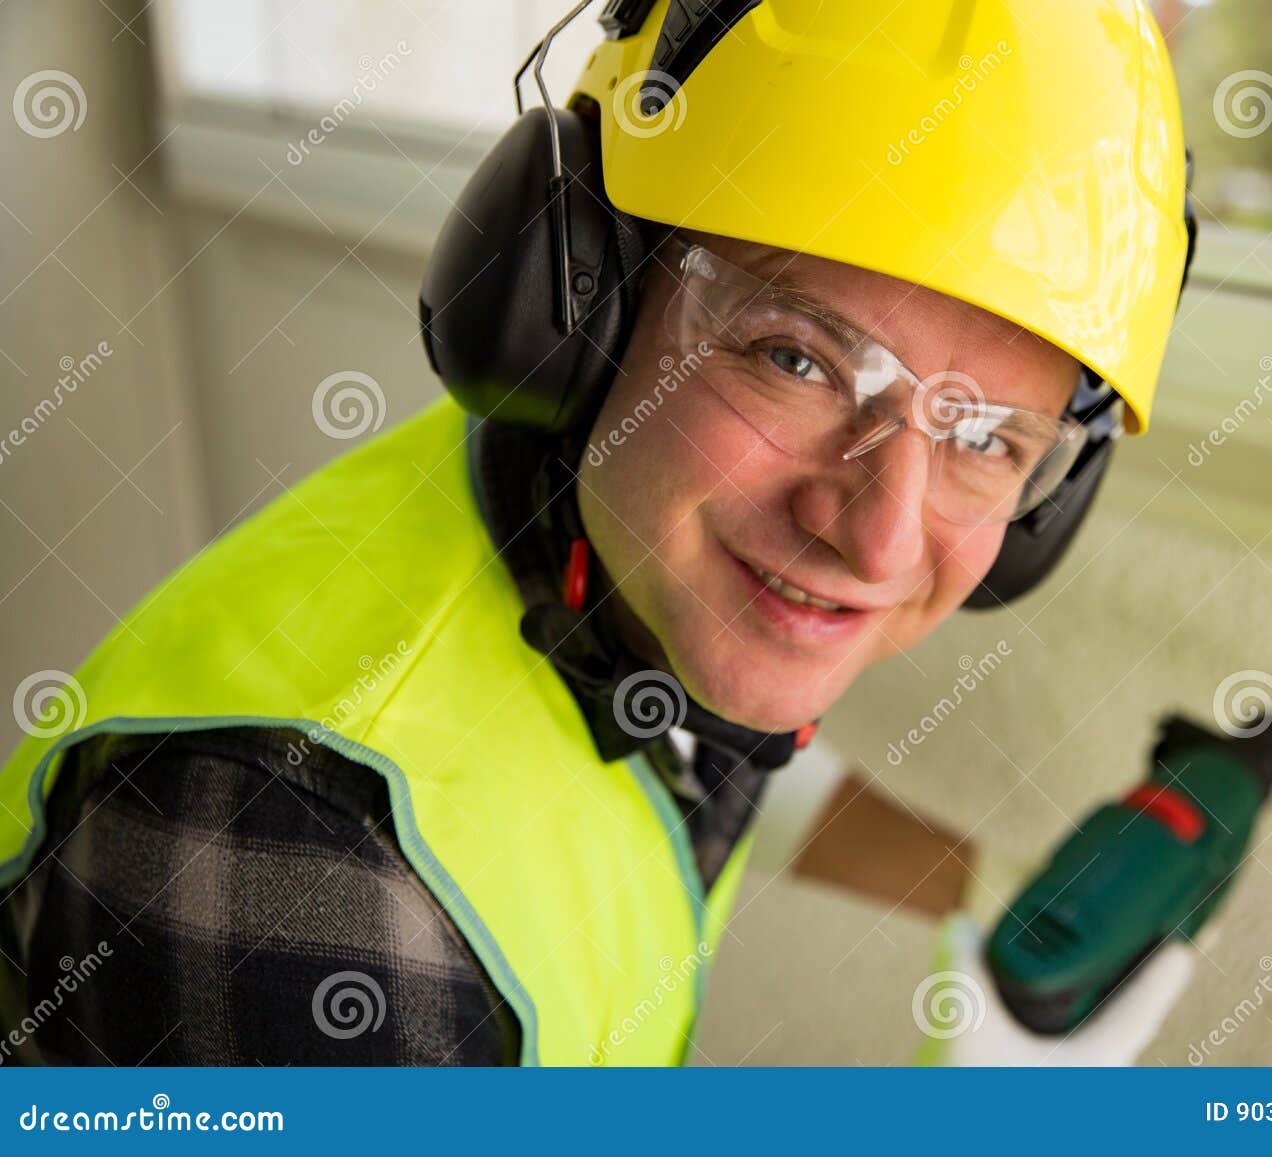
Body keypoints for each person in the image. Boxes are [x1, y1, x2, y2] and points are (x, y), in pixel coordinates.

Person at [0, 0, 1193, 1066]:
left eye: (987, 437)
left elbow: (672, 765)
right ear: (575, 302)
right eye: (797, 360)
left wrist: (980, 885)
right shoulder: (307, 876)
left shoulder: (612, 548)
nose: (877, 539)